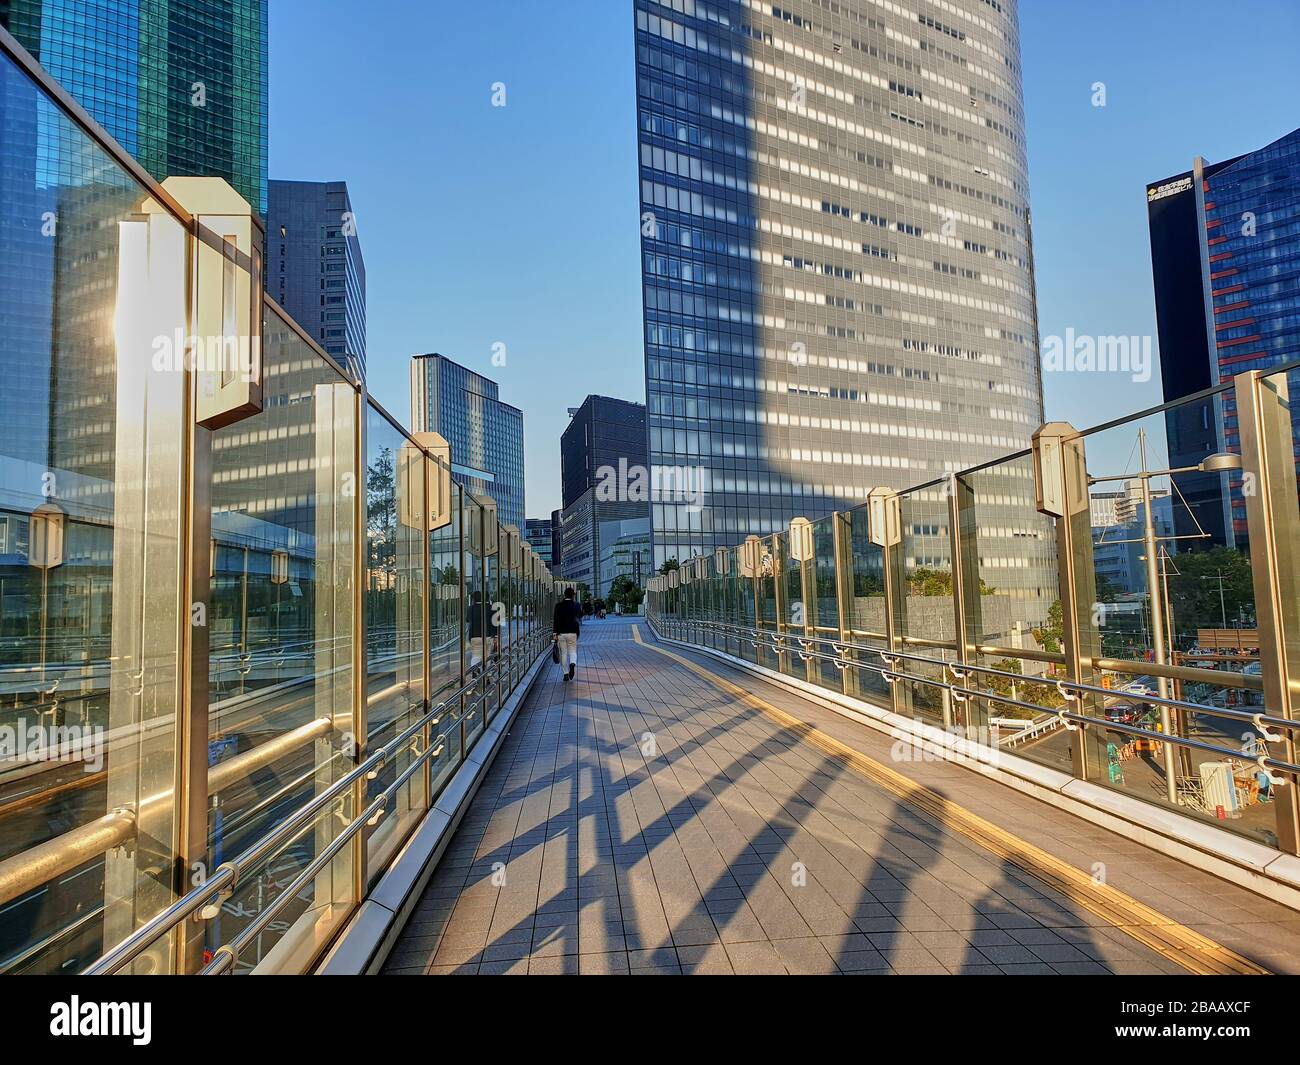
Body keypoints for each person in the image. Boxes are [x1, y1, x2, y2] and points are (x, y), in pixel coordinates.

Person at [552, 587, 582, 682]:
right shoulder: (576, 605)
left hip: (561, 633)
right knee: (573, 651)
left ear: (564, 595)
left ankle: (565, 674)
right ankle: (572, 664)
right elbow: (580, 616)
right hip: (573, 632)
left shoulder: (558, 606)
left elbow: (556, 621)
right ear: (573, 595)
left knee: (563, 653)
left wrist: (555, 634)